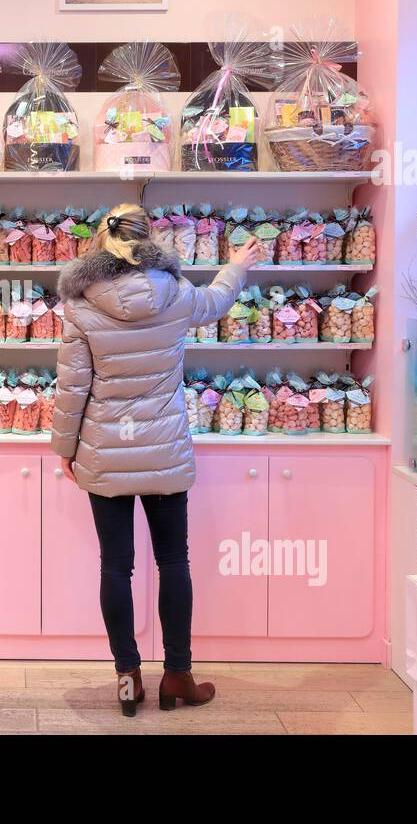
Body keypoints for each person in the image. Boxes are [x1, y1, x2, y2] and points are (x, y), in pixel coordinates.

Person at [51, 203, 257, 716]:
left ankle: (127, 679)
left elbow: (73, 387)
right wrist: (237, 264)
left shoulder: (80, 304)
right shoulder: (178, 294)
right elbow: (217, 300)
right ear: (152, 241)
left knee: (115, 567)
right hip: (164, 450)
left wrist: (64, 449)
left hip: (104, 450)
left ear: (100, 241)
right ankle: (178, 677)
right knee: (174, 563)